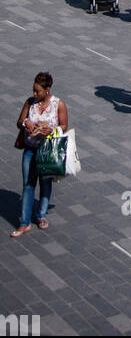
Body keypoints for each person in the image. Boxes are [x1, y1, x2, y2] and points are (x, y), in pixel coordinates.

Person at [10, 72, 69, 237]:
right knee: (28, 185)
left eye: (38, 91)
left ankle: (41, 215)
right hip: (30, 150)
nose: (35, 94)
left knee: (45, 183)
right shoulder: (30, 103)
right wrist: (25, 123)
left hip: (48, 150)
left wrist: (52, 130)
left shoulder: (59, 104)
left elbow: (64, 125)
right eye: (34, 91)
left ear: (47, 89)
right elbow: (19, 122)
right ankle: (24, 223)